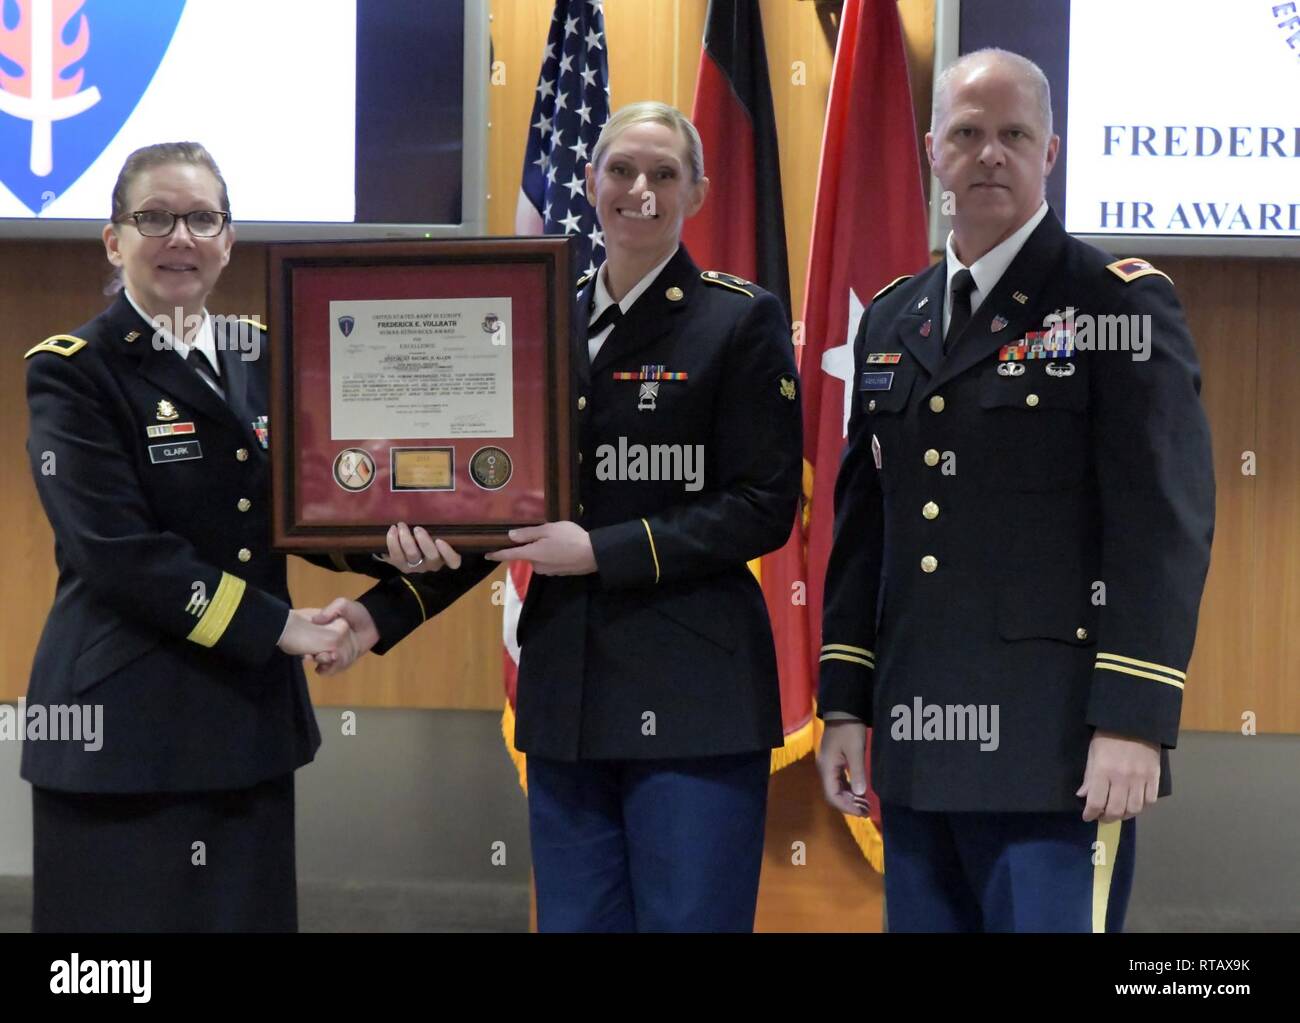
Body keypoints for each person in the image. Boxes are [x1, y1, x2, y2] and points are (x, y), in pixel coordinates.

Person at [314, 102, 804, 932]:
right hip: (568, 693)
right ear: (589, 182)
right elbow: (504, 512)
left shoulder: (738, 317)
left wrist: (603, 550)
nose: (639, 190)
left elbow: (764, 506)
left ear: (699, 192)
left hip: (694, 697)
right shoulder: (536, 316)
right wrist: (379, 610)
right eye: (621, 170)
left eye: (663, 173)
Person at [814, 48, 1216, 932]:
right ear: (933, 151)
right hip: (920, 743)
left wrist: (1135, 718)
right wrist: (845, 700)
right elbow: (865, 527)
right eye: (967, 133)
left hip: (1057, 749)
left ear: (1051, 152)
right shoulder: (892, 317)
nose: (989, 153)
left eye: (1013, 134)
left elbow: (1162, 525)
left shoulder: (1115, 304)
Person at [22, 141, 378, 932]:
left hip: (245, 722)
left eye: (201, 218)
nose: (180, 237)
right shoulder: (74, 371)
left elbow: (304, 507)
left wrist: (394, 546)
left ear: (228, 239)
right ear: (114, 240)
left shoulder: (263, 356)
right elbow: (116, 551)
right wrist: (279, 625)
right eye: (154, 217)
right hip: (123, 729)